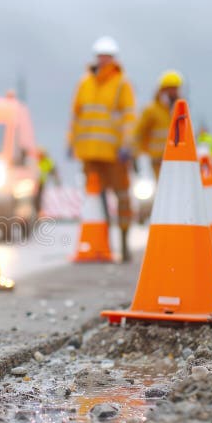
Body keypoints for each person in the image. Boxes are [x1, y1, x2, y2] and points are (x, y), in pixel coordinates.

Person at [67, 36, 136, 262]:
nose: (103, 60)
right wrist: (71, 142)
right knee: (96, 201)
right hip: (89, 153)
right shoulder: (84, 83)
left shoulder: (121, 83)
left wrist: (126, 145)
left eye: (107, 56)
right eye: (100, 56)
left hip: (114, 153)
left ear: (113, 59)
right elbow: (76, 116)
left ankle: (124, 243)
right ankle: (101, 244)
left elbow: (128, 116)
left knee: (122, 196)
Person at [135, 70, 183, 179]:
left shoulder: (180, 111)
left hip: (176, 162)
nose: (173, 92)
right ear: (162, 90)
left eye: (175, 88)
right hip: (155, 161)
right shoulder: (151, 110)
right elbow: (138, 133)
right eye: (170, 88)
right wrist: (136, 156)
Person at [36, 148, 60, 213]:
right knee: (38, 198)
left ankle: (41, 210)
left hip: (44, 183)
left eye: (41, 154)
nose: (39, 156)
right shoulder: (37, 161)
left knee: (42, 197)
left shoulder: (47, 161)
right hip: (38, 183)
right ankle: (38, 210)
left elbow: (54, 171)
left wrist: (57, 181)